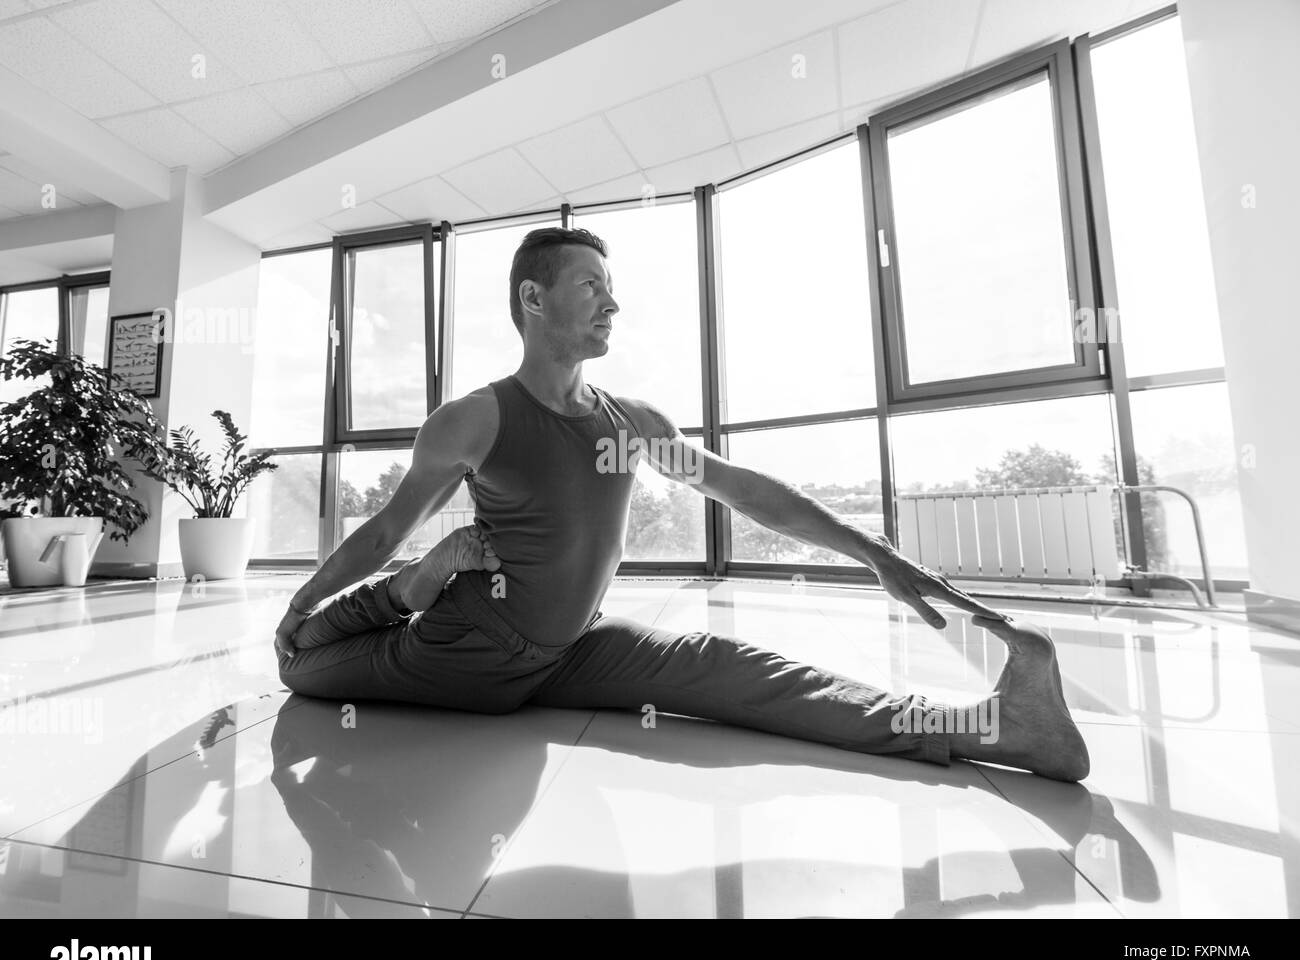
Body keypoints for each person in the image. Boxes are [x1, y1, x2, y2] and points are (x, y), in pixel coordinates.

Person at [274, 227, 1089, 782]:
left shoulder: (631, 424)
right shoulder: (475, 419)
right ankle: (395, 596)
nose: (612, 304)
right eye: (591, 286)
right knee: (300, 663)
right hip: (467, 647)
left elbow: (744, 491)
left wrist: (868, 548)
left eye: (612, 288)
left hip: (571, 650)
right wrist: (308, 598)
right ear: (532, 298)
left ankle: (997, 726)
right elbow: (384, 528)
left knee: (737, 672)